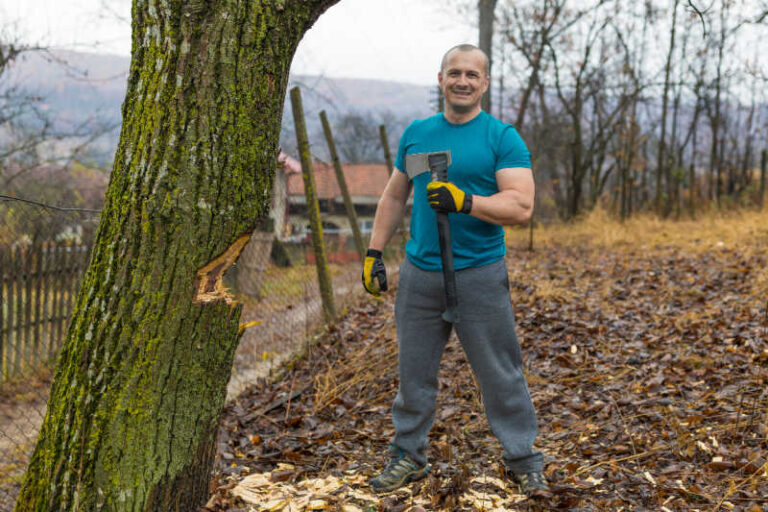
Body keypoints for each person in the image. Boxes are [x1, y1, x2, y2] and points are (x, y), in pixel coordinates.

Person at [361, 44, 549, 498]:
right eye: (454, 73)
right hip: (421, 276)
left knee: (501, 374)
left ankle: (524, 460)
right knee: (414, 373)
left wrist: (467, 201)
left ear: (485, 83)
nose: (462, 81)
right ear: (440, 79)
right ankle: (408, 455)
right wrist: (373, 252)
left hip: (479, 273)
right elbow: (393, 196)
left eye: (472, 74)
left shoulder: (501, 138)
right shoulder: (418, 134)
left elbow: (521, 205)